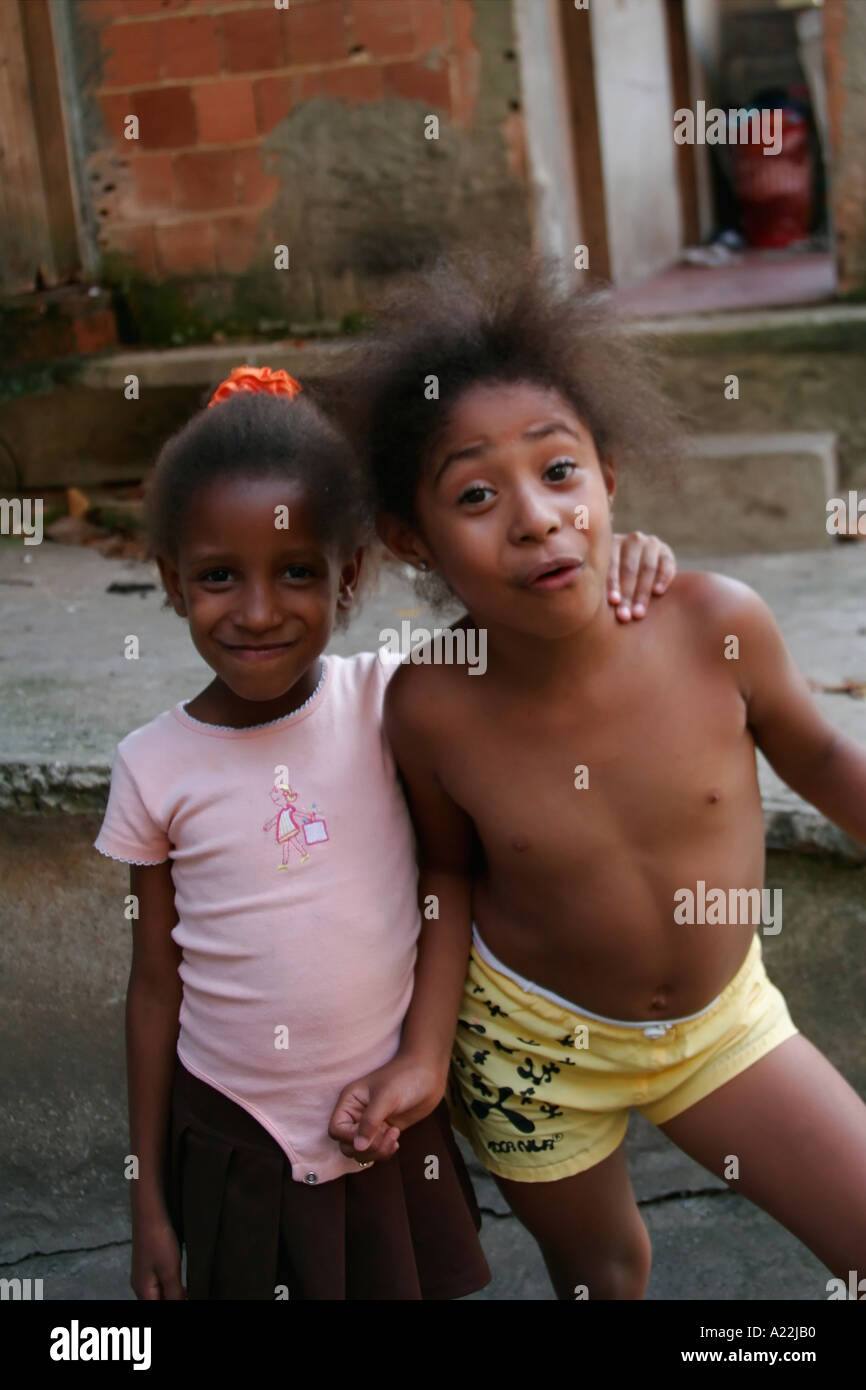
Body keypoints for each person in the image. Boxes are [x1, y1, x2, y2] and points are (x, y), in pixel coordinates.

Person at [328, 259, 866, 1299]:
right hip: (530, 1054)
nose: (533, 517)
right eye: (476, 494)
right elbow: (445, 873)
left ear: (608, 472)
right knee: (605, 1273)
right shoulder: (432, 706)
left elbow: (824, 757)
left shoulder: (714, 625)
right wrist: (424, 1057)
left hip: (719, 1025)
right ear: (411, 538)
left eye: (558, 471)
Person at [93, 363, 673, 1301]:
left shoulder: (392, 699)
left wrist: (626, 559)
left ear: (349, 575)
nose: (256, 610)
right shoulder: (153, 766)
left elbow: (537, 623)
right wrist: (147, 1205)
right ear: (170, 582)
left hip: (395, 1122)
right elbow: (154, 989)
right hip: (233, 1135)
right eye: (215, 577)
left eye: (294, 572)